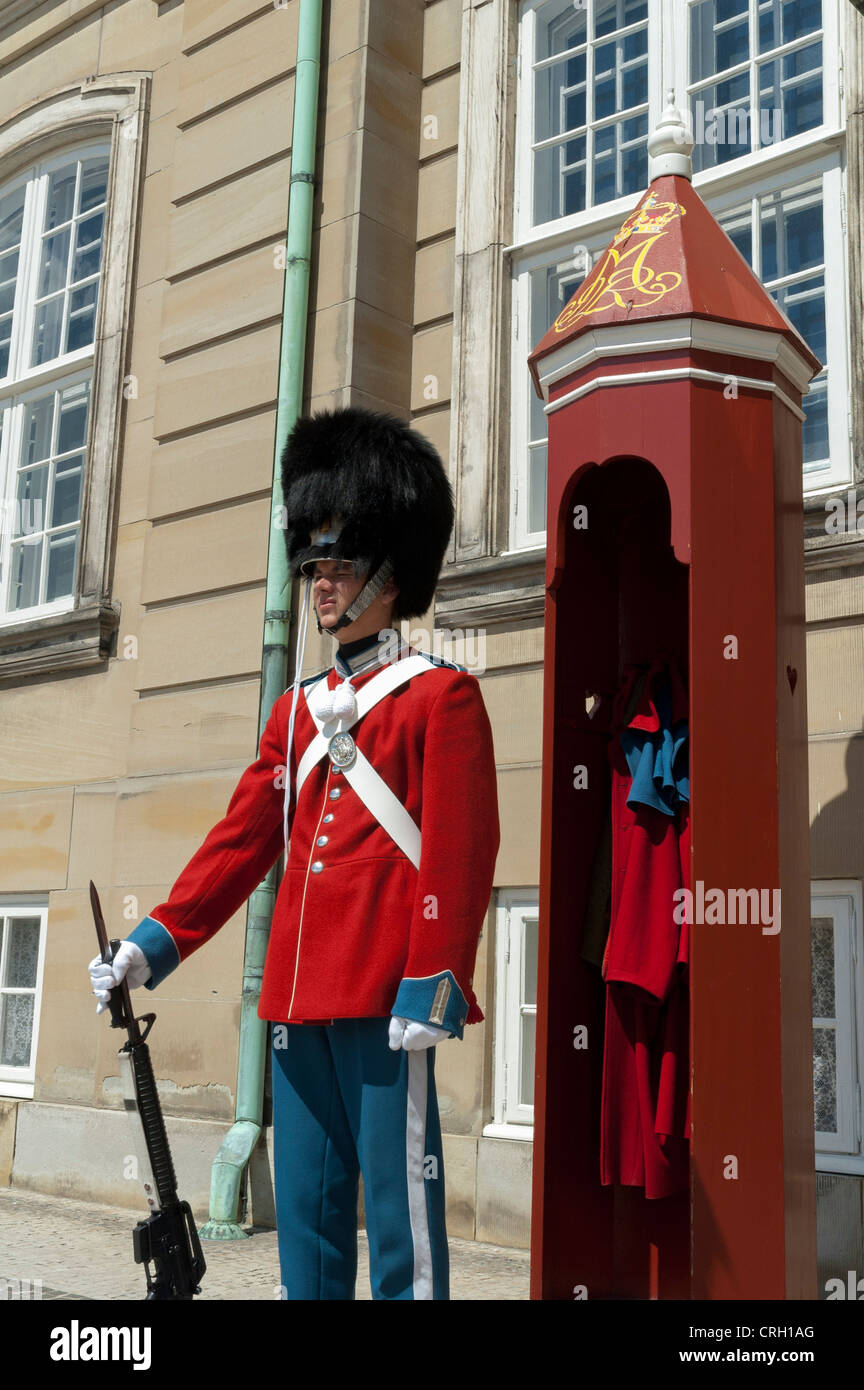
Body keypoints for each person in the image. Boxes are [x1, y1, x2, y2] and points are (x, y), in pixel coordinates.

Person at [88, 406, 500, 1300]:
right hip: (294, 1004)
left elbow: (461, 860)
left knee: (402, 1236)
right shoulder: (298, 709)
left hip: (390, 1000)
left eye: (342, 558)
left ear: (390, 572)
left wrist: (435, 982)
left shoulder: (441, 698)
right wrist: (149, 944)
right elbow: (240, 842)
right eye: (312, 558)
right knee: (307, 1235)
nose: (320, 577)